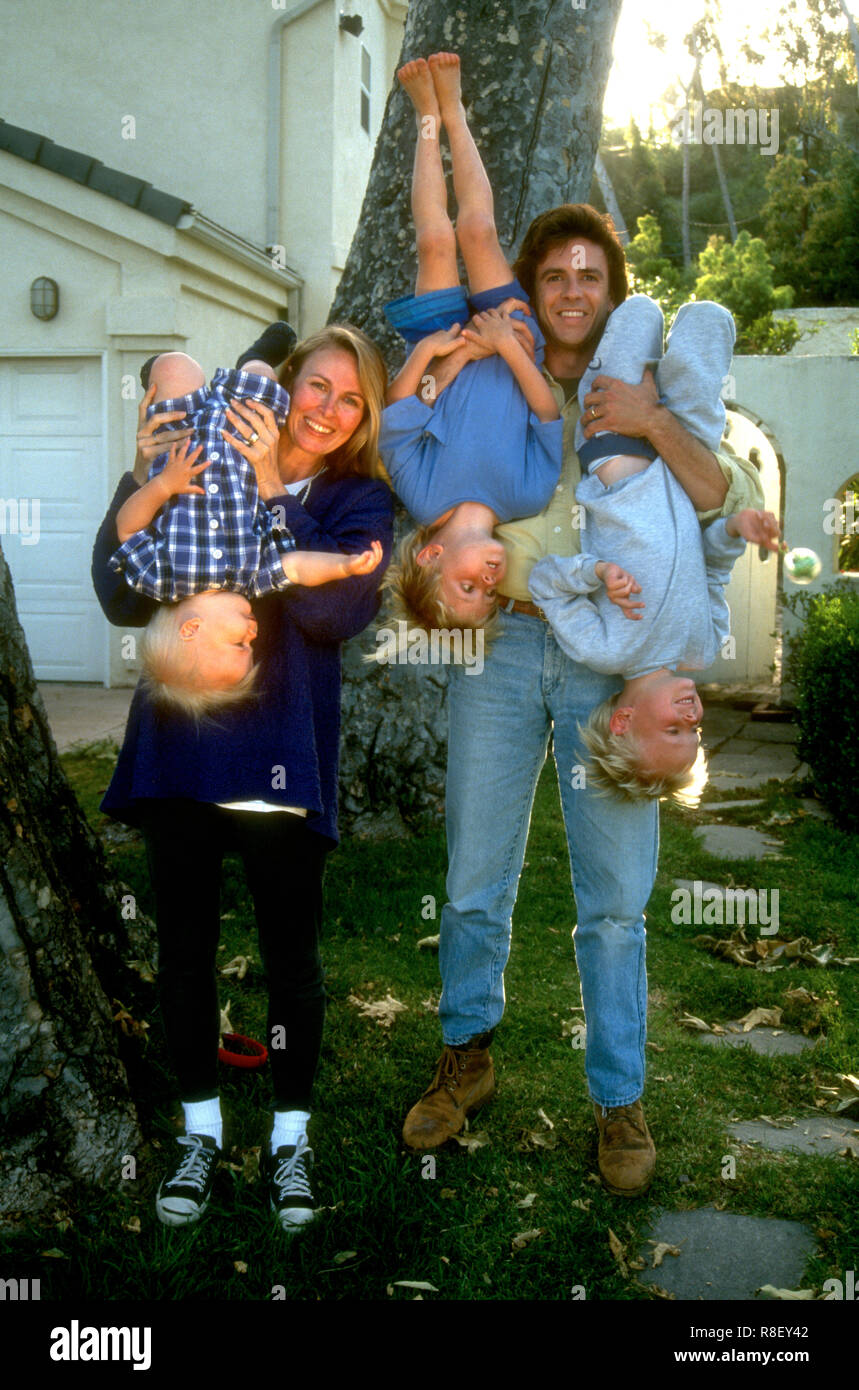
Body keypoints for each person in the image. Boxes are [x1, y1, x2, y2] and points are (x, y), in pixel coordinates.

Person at [401, 200, 766, 1197]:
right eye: (553, 275)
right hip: (508, 641)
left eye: (589, 277)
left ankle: (618, 1099)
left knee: (612, 901)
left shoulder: (638, 380)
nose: (570, 291)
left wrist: (647, 419)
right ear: (534, 284)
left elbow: (715, 497)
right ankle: (466, 1054)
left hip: (612, 664)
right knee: (476, 872)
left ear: (610, 293)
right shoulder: (492, 375)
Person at [92, 324, 394, 1230]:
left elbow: (336, 610)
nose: (329, 412)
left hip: (282, 764)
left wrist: (271, 490)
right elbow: (116, 592)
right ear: (285, 383)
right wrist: (148, 474)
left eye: (352, 401)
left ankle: (290, 1142)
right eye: (319, 387)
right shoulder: (190, 443)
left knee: (289, 960)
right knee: (182, 951)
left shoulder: (359, 500)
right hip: (181, 749)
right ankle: (200, 1132)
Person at [528, 294, 780, 799]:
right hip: (688, 453)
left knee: (640, 311)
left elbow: (544, 585)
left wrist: (595, 572)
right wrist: (734, 529)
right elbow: (711, 570)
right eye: (695, 732)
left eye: (673, 729)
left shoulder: (603, 650)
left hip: (614, 450)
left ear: (623, 721)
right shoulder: (703, 647)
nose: (691, 719)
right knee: (711, 323)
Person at [379, 53, 563, 633]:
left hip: (440, 343)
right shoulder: (526, 498)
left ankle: (431, 120)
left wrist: (454, 353)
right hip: (510, 335)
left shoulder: (424, 498)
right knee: (477, 231)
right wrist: (507, 347)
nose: (489, 580)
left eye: (468, 586)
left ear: (431, 556)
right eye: (490, 593)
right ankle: (455, 110)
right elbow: (546, 412)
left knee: (436, 240)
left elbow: (400, 414)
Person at [109, 351, 382, 715]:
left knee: (174, 366)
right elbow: (298, 567)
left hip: (180, 448)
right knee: (258, 371)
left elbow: (127, 527)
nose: (253, 637)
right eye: (318, 386)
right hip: (239, 431)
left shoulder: (161, 579)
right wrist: (343, 565)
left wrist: (156, 483)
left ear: (191, 629)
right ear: (293, 387)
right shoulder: (251, 580)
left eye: (240, 644)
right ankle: (261, 352)